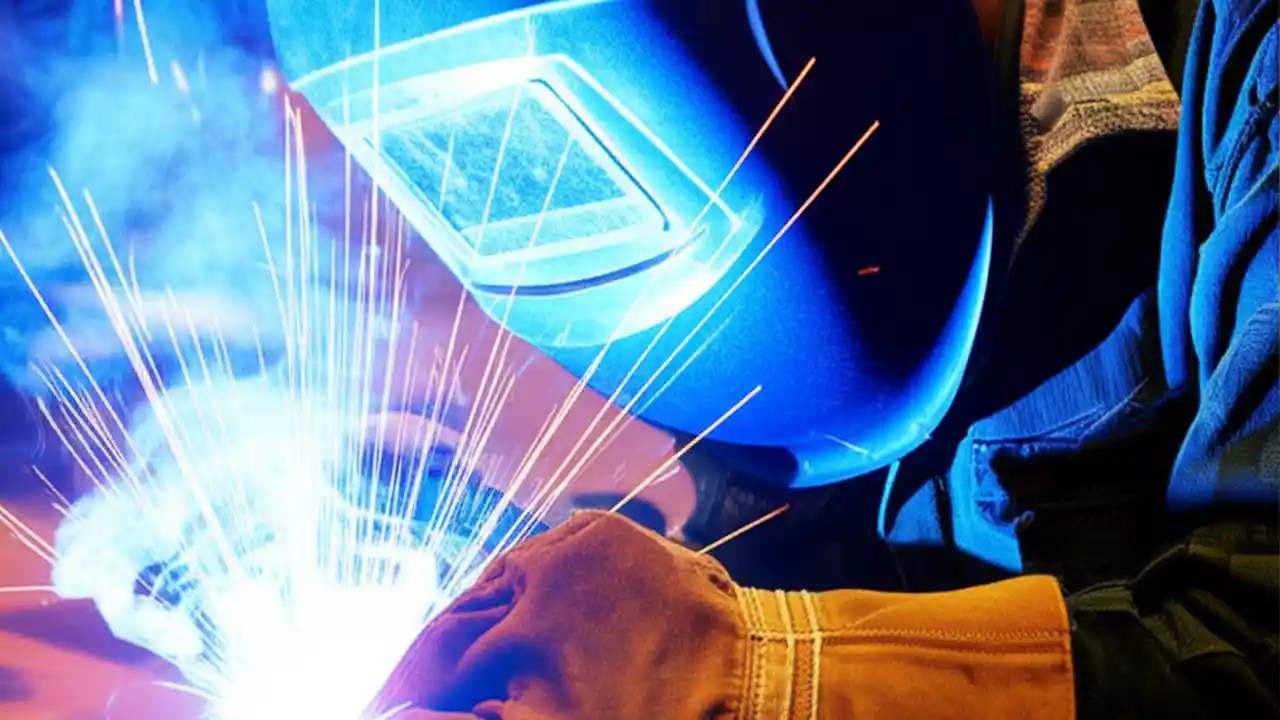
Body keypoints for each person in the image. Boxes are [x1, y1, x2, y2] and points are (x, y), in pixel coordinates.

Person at [261, 0, 1276, 716]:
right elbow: (791, 550)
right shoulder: (696, 142)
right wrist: (501, 593)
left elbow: (1251, 657)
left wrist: (761, 680)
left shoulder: (1244, 71)